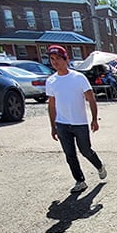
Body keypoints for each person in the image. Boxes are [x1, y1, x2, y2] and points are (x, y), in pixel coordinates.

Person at [46, 45, 107, 194]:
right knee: (70, 154)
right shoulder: (51, 81)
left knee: (85, 150)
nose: (55, 62)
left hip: (79, 122)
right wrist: (53, 126)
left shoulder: (78, 78)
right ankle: (80, 181)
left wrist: (94, 119)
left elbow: (91, 99)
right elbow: (52, 105)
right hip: (62, 123)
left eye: (58, 59)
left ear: (66, 59)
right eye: (52, 59)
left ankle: (99, 166)